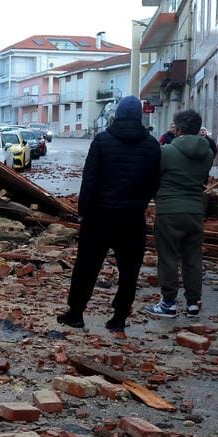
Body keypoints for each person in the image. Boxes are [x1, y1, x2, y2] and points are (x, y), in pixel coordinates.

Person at [57, 96, 161, 334]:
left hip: (99, 216)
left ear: (117, 115)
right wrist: (140, 202)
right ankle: (119, 318)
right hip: (132, 217)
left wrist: (84, 212)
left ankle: (76, 313)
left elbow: (90, 179)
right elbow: (154, 182)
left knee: (86, 267)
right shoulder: (152, 145)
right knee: (129, 270)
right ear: (140, 117)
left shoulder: (102, 141)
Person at [146, 109, 214, 318]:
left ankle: (168, 303)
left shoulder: (165, 152)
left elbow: (154, 176)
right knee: (193, 258)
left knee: (168, 257)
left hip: (169, 211)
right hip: (195, 210)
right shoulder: (208, 154)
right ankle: (193, 303)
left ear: (178, 129)